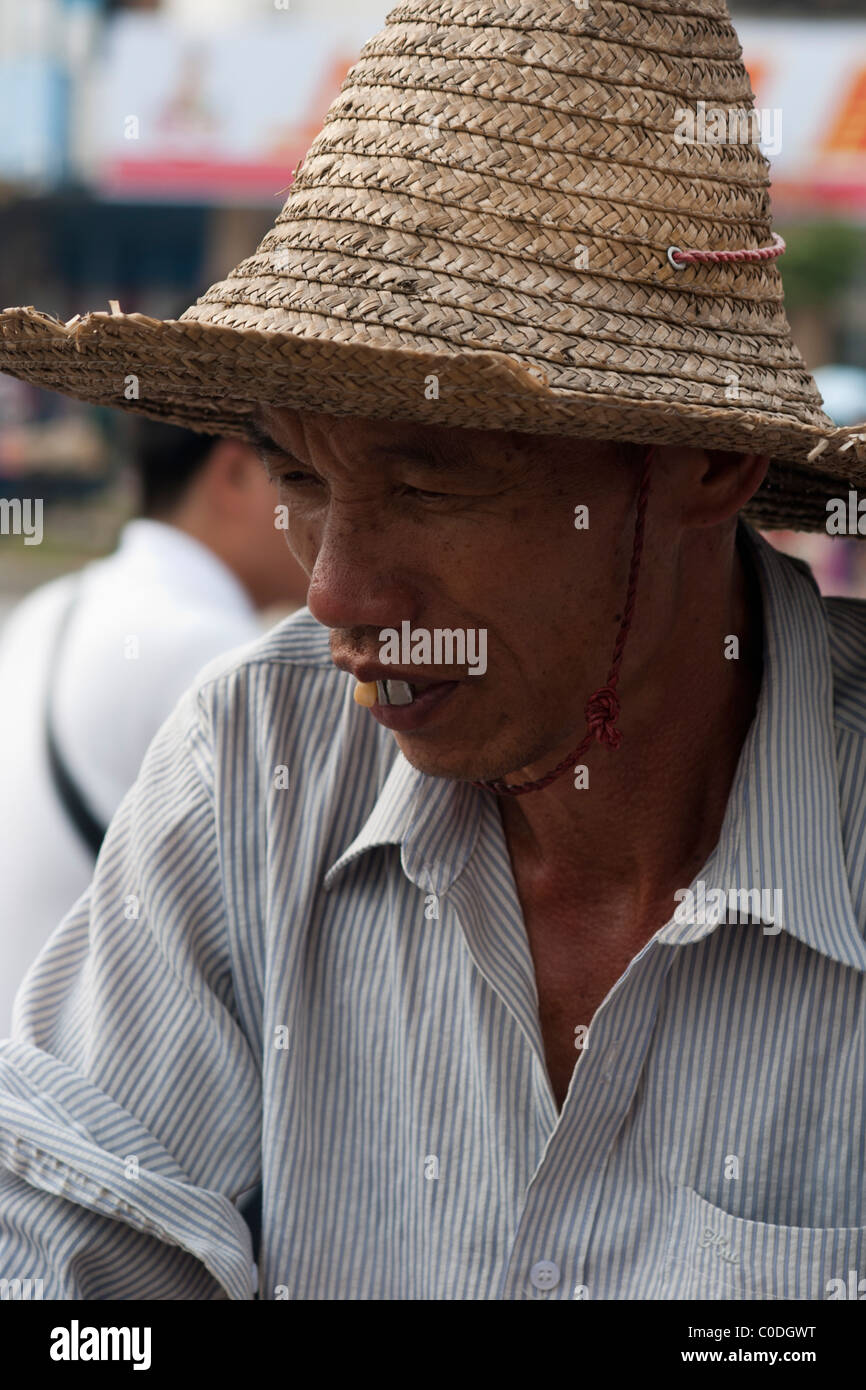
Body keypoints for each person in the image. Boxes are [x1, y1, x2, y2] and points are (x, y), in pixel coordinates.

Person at [0, 0, 865, 1301]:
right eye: (299, 475)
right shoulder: (255, 762)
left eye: (432, 480)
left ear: (704, 460)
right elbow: (67, 1269)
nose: (337, 590)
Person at [0, 417, 307, 1033]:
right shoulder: (219, 657)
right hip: (100, 1083)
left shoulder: (53, 605)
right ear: (236, 473)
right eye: (304, 479)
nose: (334, 523)